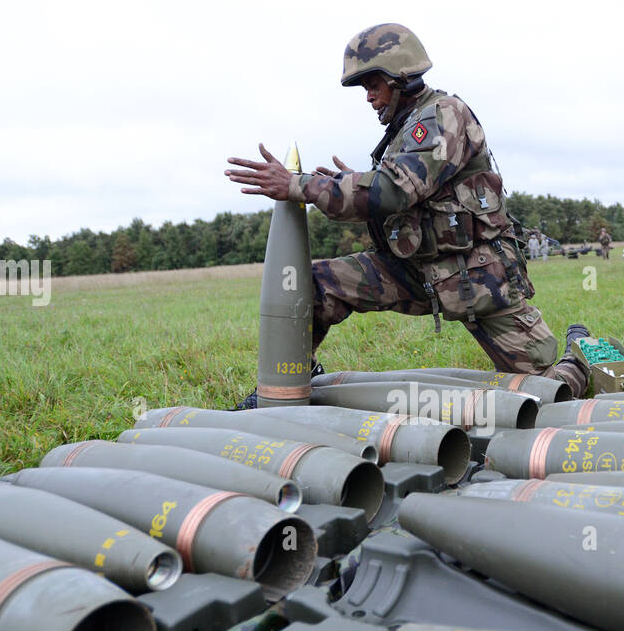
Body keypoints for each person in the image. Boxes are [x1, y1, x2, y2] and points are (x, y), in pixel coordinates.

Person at [225, 23, 590, 402]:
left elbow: (394, 190)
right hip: (417, 269)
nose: (369, 97)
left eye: (374, 85)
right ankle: (286, 386)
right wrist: (350, 182)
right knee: (317, 285)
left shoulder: (442, 115)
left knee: (547, 393)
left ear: (401, 78)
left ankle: (580, 356)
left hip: (476, 276)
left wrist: (300, 186)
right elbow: (399, 191)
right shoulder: (408, 127)